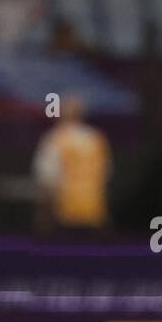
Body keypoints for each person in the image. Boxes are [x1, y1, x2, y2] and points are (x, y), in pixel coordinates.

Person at [32, 94, 112, 233]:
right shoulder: (95, 138)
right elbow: (106, 173)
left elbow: (46, 178)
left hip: (63, 214)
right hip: (93, 213)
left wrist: (43, 216)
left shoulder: (55, 138)